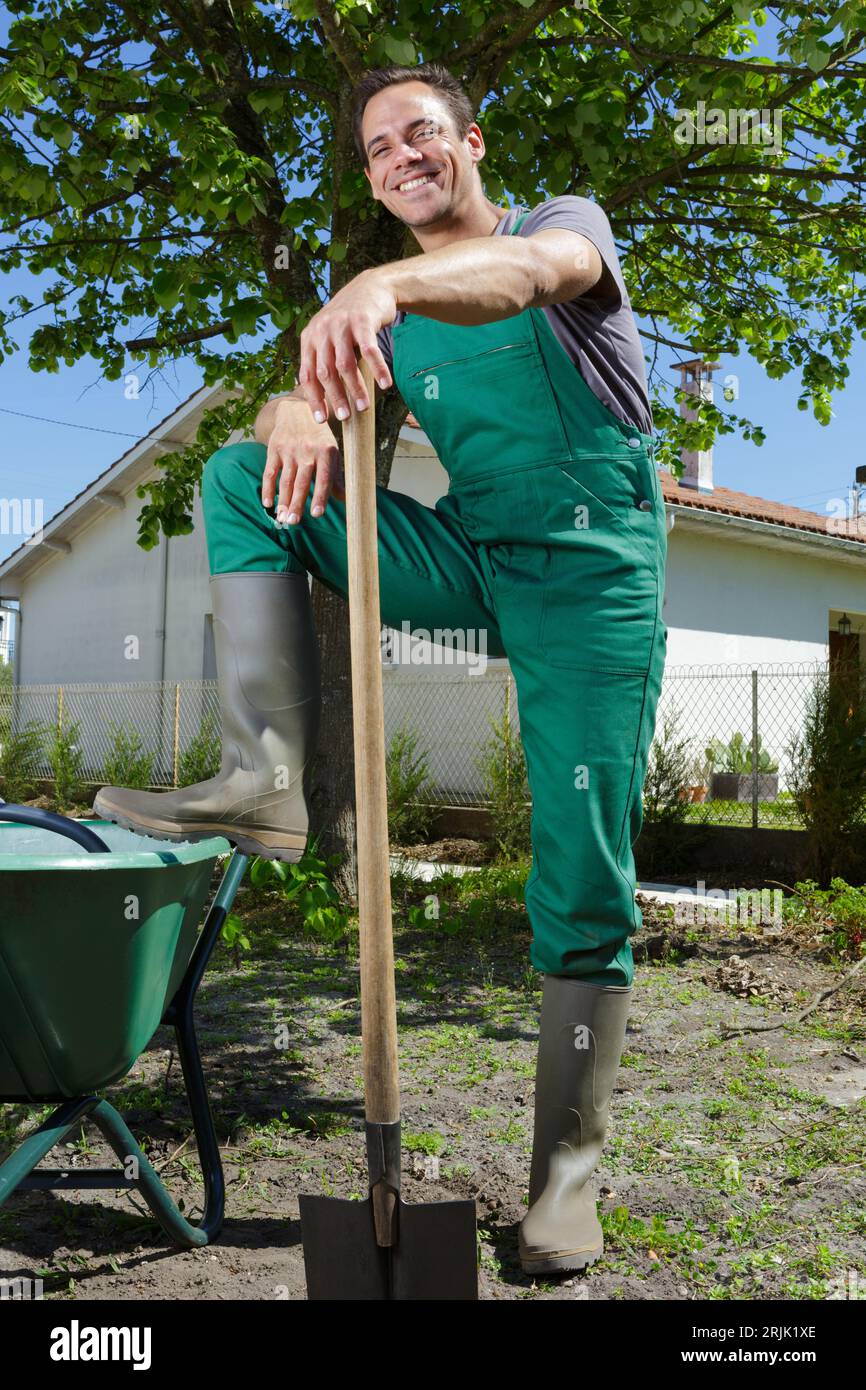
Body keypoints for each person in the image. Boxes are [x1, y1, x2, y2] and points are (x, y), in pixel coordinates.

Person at [95, 61, 668, 1278]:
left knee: (580, 864)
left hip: (591, 574)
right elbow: (302, 409)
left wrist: (370, 285)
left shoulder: (558, 231)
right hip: (474, 552)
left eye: (420, 134)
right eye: (375, 148)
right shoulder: (384, 321)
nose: (401, 155)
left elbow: (524, 280)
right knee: (241, 483)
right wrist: (289, 408)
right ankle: (264, 776)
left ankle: (565, 1176)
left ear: (468, 139)